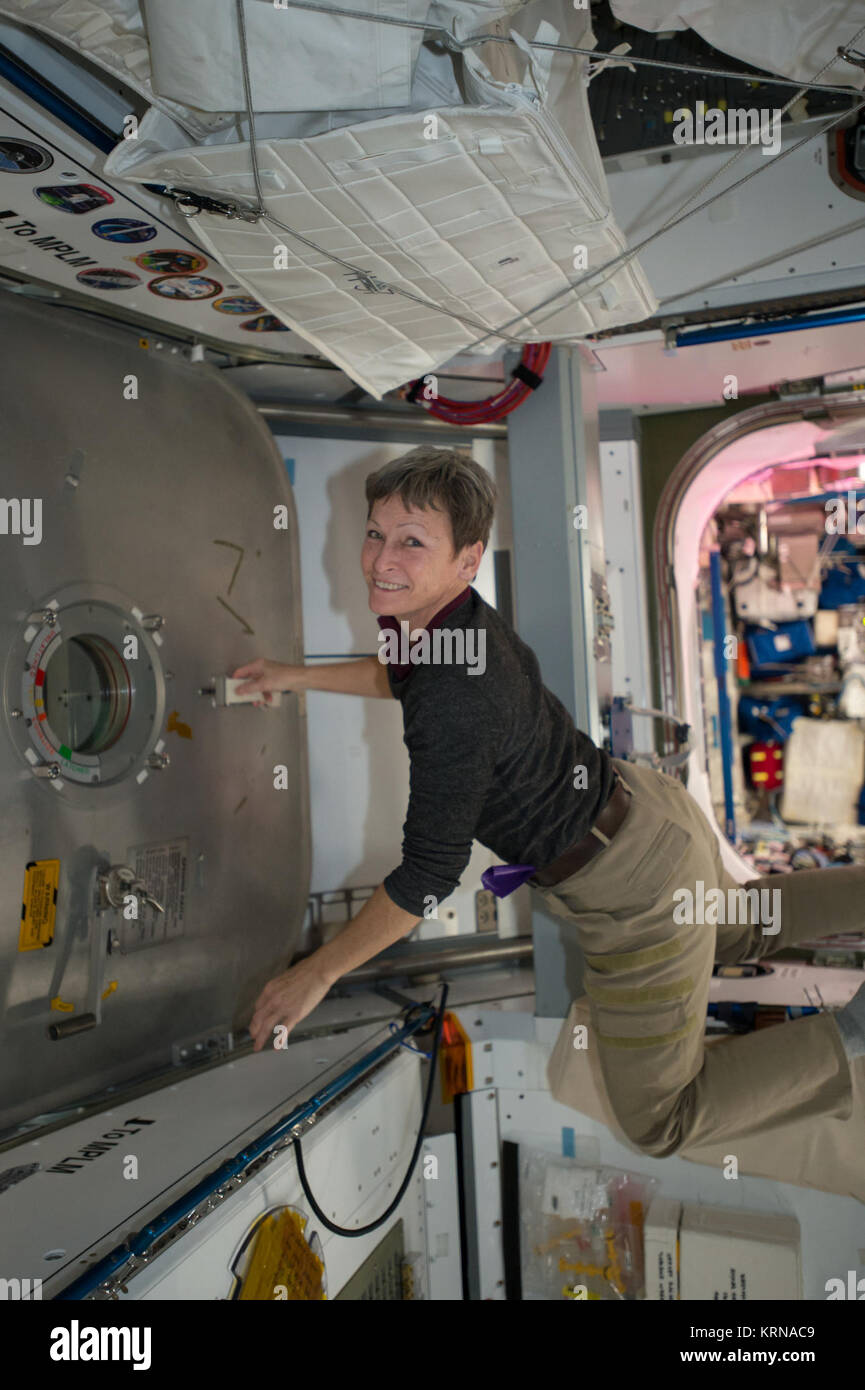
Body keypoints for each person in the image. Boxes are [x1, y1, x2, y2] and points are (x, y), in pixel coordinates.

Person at [233, 445, 865, 1157]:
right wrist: (293, 676)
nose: (380, 559)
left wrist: (314, 973)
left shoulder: (452, 696)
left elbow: (427, 876)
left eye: (411, 542)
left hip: (636, 881)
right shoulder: (451, 622)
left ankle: (853, 1036)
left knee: (661, 1123)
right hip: (650, 819)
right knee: (736, 928)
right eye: (375, 533)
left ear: (467, 559)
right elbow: (400, 678)